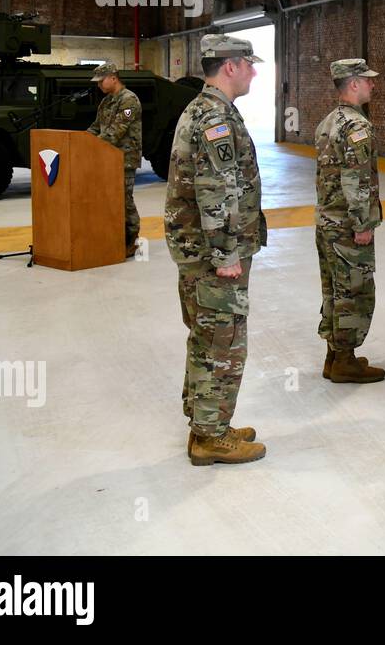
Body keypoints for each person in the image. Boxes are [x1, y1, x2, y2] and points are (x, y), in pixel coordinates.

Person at [165, 34, 267, 466]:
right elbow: (215, 192)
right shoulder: (214, 118)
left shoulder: (209, 110)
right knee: (221, 342)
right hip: (213, 254)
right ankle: (210, 436)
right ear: (230, 67)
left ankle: (206, 421)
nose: (254, 71)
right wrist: (226, 254)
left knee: (207, 336)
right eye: (249, 64)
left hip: (199, 250)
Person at [315, 58, 385, 384]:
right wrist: (362, 224)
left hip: (327, 222)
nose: (373, 84)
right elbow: (355, 180)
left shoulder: (328, 122)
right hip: (347, 226)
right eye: (368, 80)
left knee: (333, 290)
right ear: (353, 84)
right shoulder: (357, 126)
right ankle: (344, 359)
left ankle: (334, 356)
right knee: (354, 292)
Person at [85, 61, 142, 257]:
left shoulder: (129, 100)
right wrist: (80, 141)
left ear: (113, 78)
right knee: (110, 199)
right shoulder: (107, 101)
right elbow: (96, 126)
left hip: (124, 158)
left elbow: (115, 132)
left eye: (101, 81)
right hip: (106, 160)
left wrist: (93, 144)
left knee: (124, 200)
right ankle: (113, 236)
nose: (99, 85)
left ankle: (132, 240)